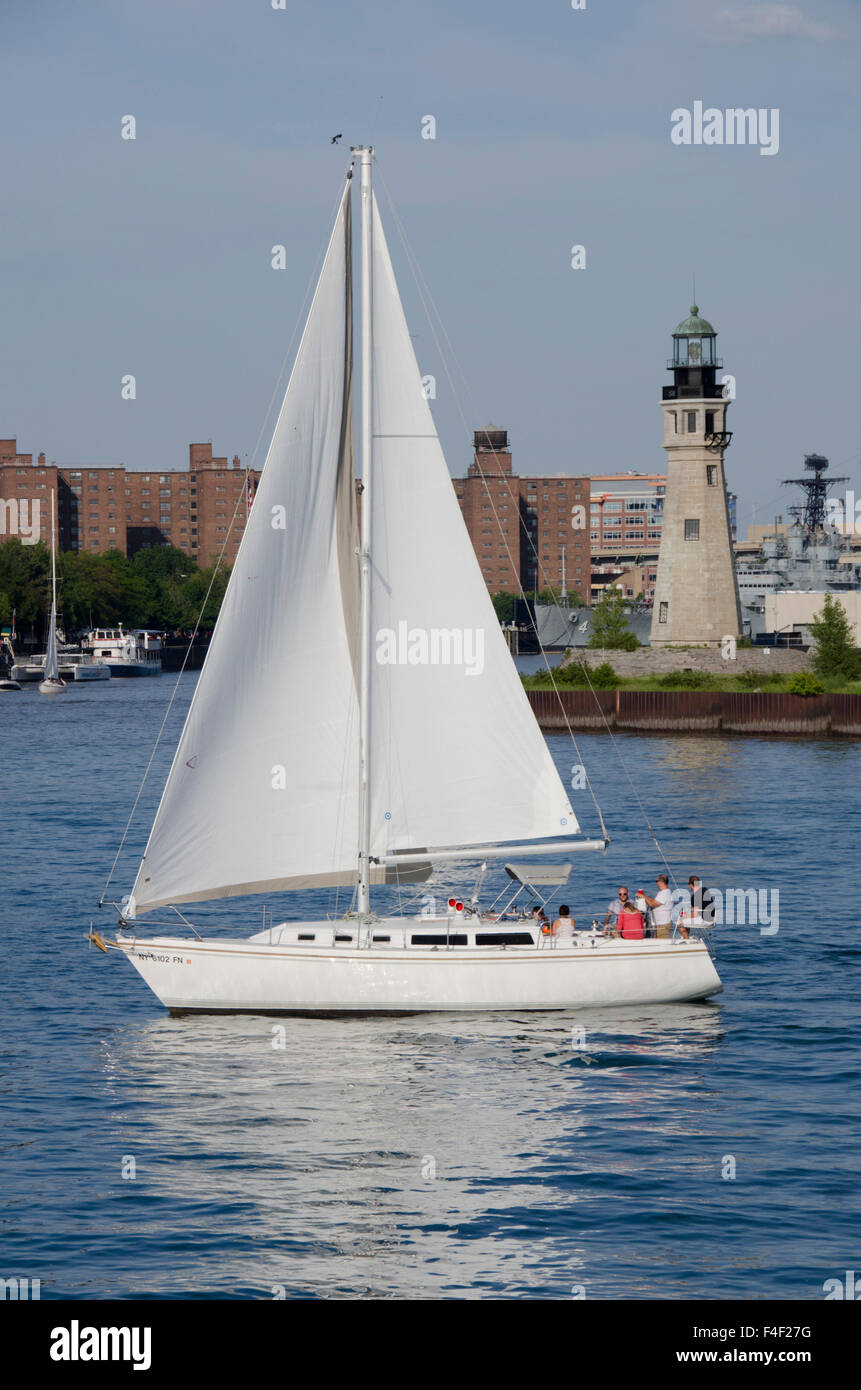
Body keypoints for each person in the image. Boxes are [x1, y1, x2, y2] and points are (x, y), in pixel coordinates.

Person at [642, 874, 674, 939]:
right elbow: (654, 901)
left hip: (663, 924)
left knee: (663, 943)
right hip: (659, 923)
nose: (656, 883)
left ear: (661, 882)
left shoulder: (665, 893)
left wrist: (643, 897)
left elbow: (652, 904)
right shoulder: (662, 892)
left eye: (656, 881)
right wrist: (644, 895)